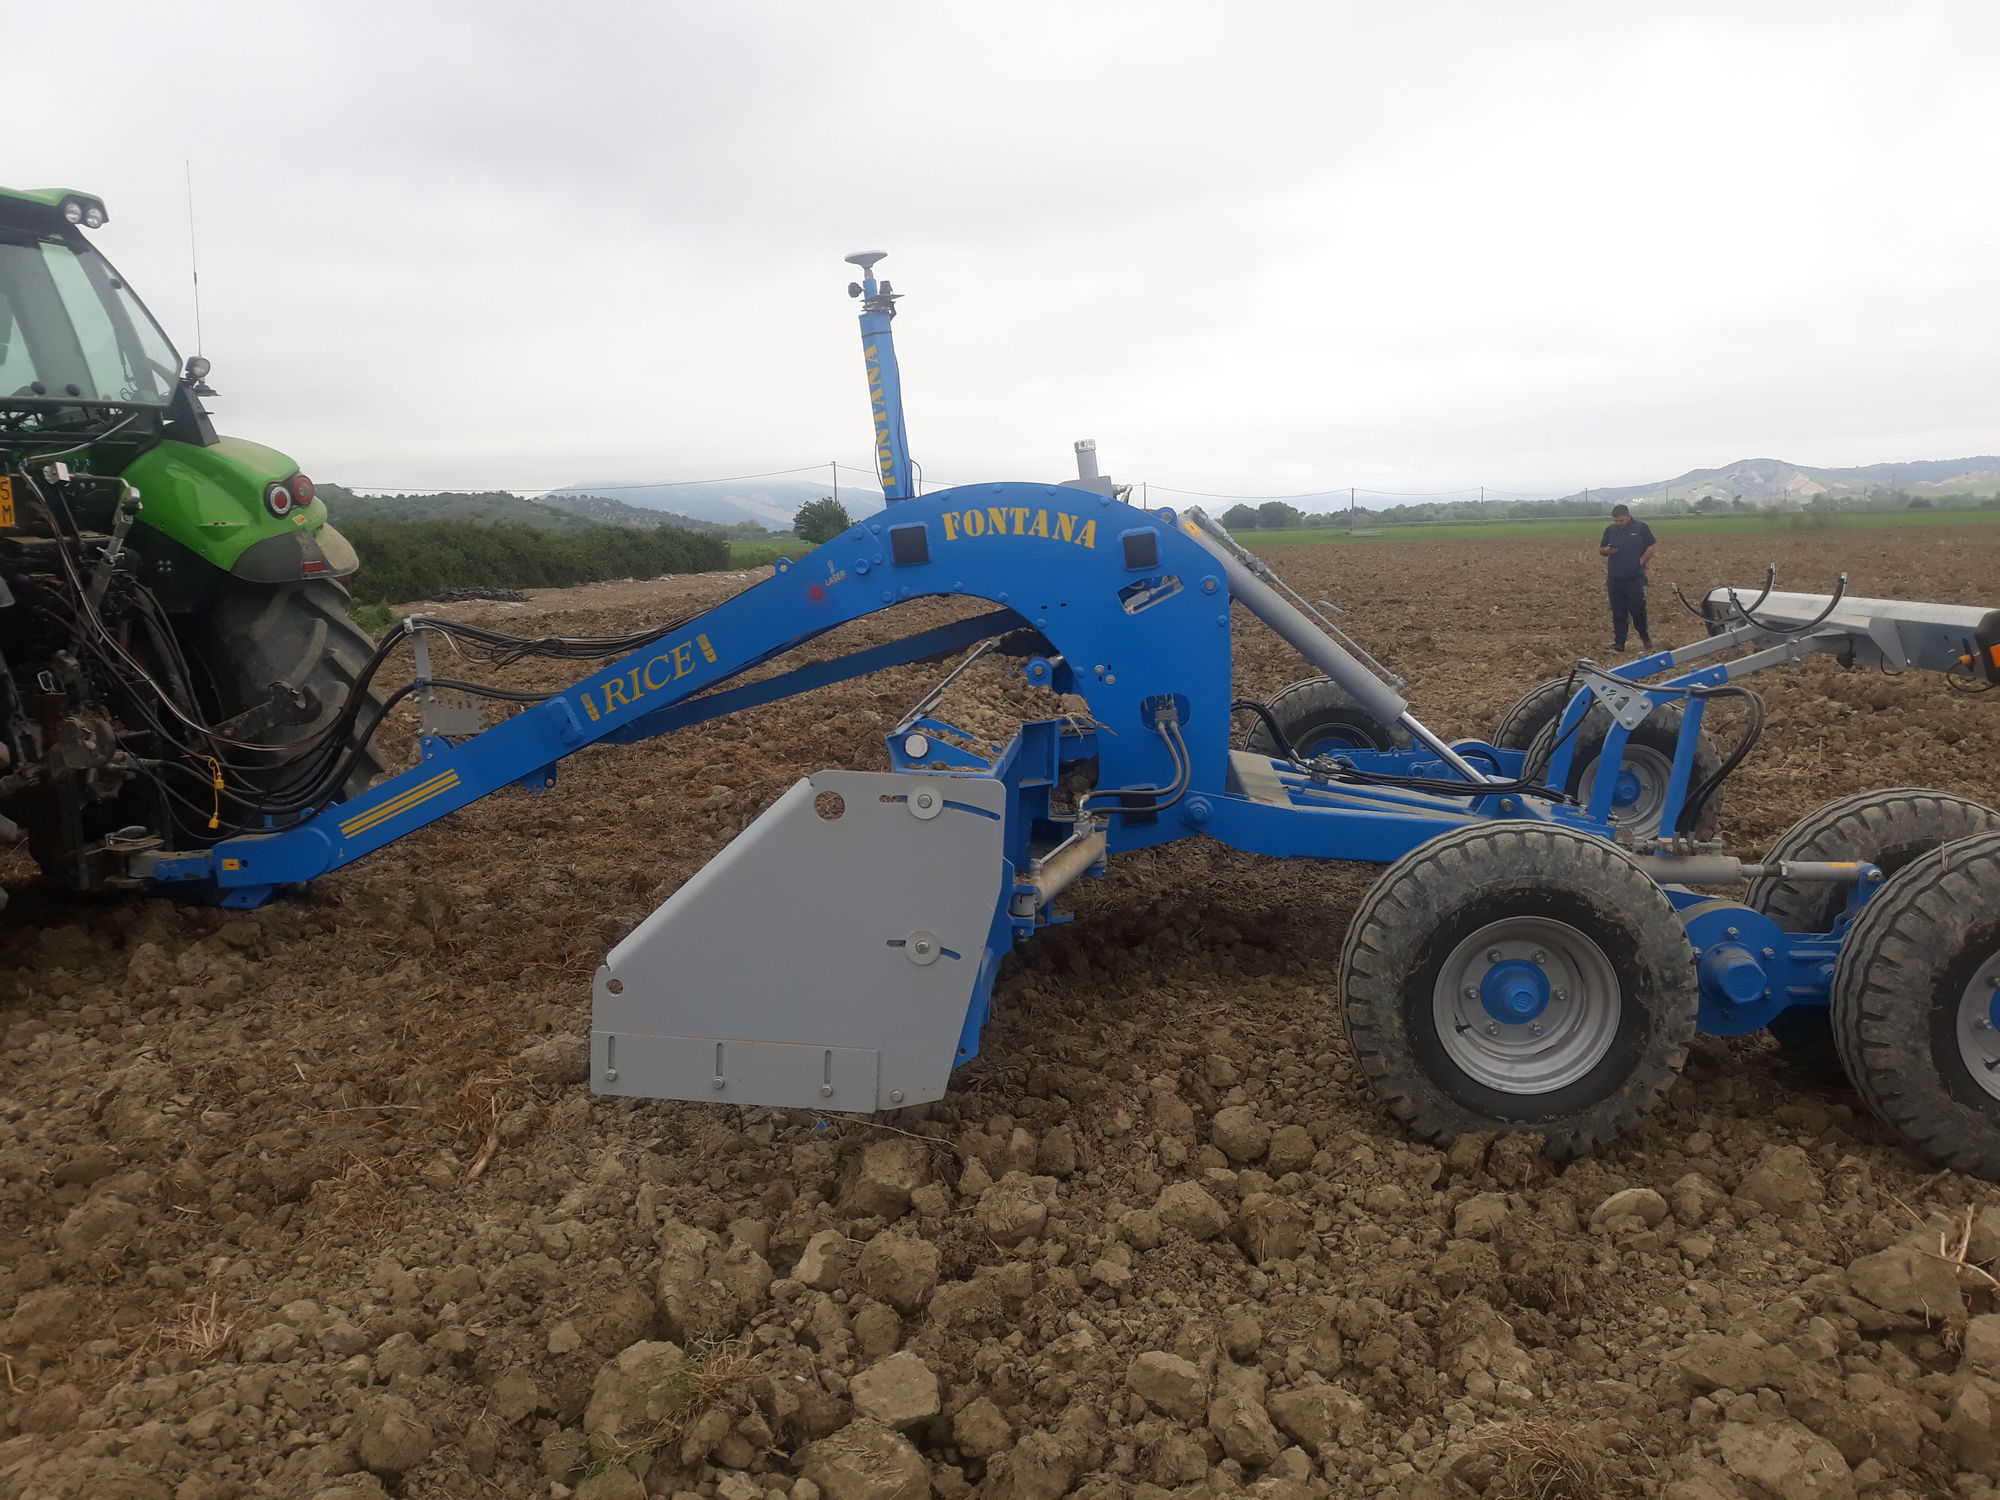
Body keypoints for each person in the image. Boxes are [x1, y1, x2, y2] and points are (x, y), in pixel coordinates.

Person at [1598, 504, 1657, 653]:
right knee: (1618, 612)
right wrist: (1607, 551)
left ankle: (1645, 637)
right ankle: (1619, 643)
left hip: (1635, 578)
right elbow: (1601, 549)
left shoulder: (1641, 528)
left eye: (1621, 521)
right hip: (1615, 578)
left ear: (1628, 517)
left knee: (1637, 609)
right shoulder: (1610, 530)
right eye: (1616, 521)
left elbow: (1651, 546)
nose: (1618, 524)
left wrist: (1641, 561)